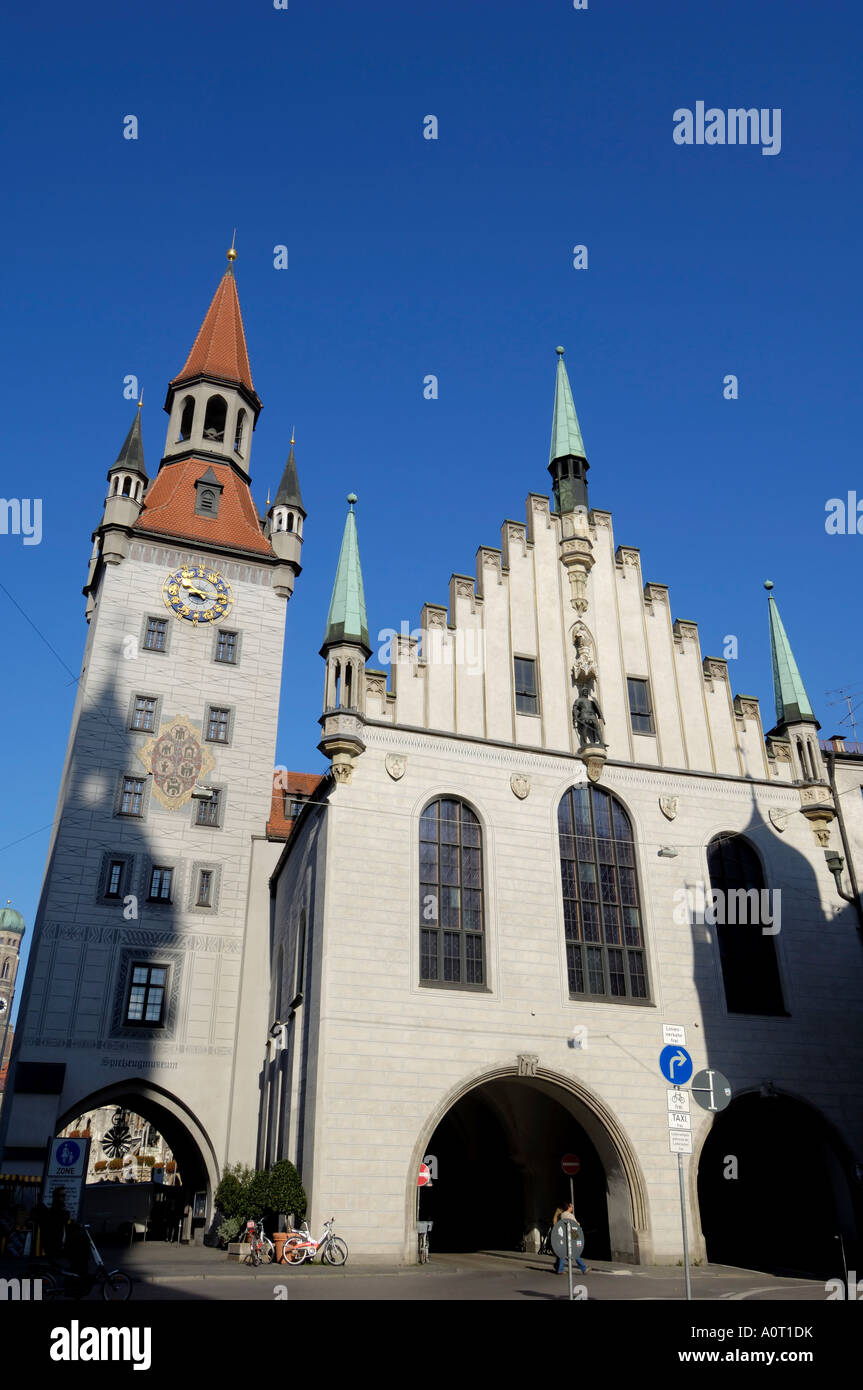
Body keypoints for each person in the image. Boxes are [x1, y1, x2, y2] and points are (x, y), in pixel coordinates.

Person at [551, 1200, 591, 1275]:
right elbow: (575, 1225)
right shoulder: (569, 1215)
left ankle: (560, 1269)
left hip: (565, 1236)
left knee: (563, 1252)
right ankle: (584, 1269)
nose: (572, 1207)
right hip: (571, 1236)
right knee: (575, 1252)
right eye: (572, 1206)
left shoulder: (562, 1214)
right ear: (569, 1206)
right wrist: (578, 1225)